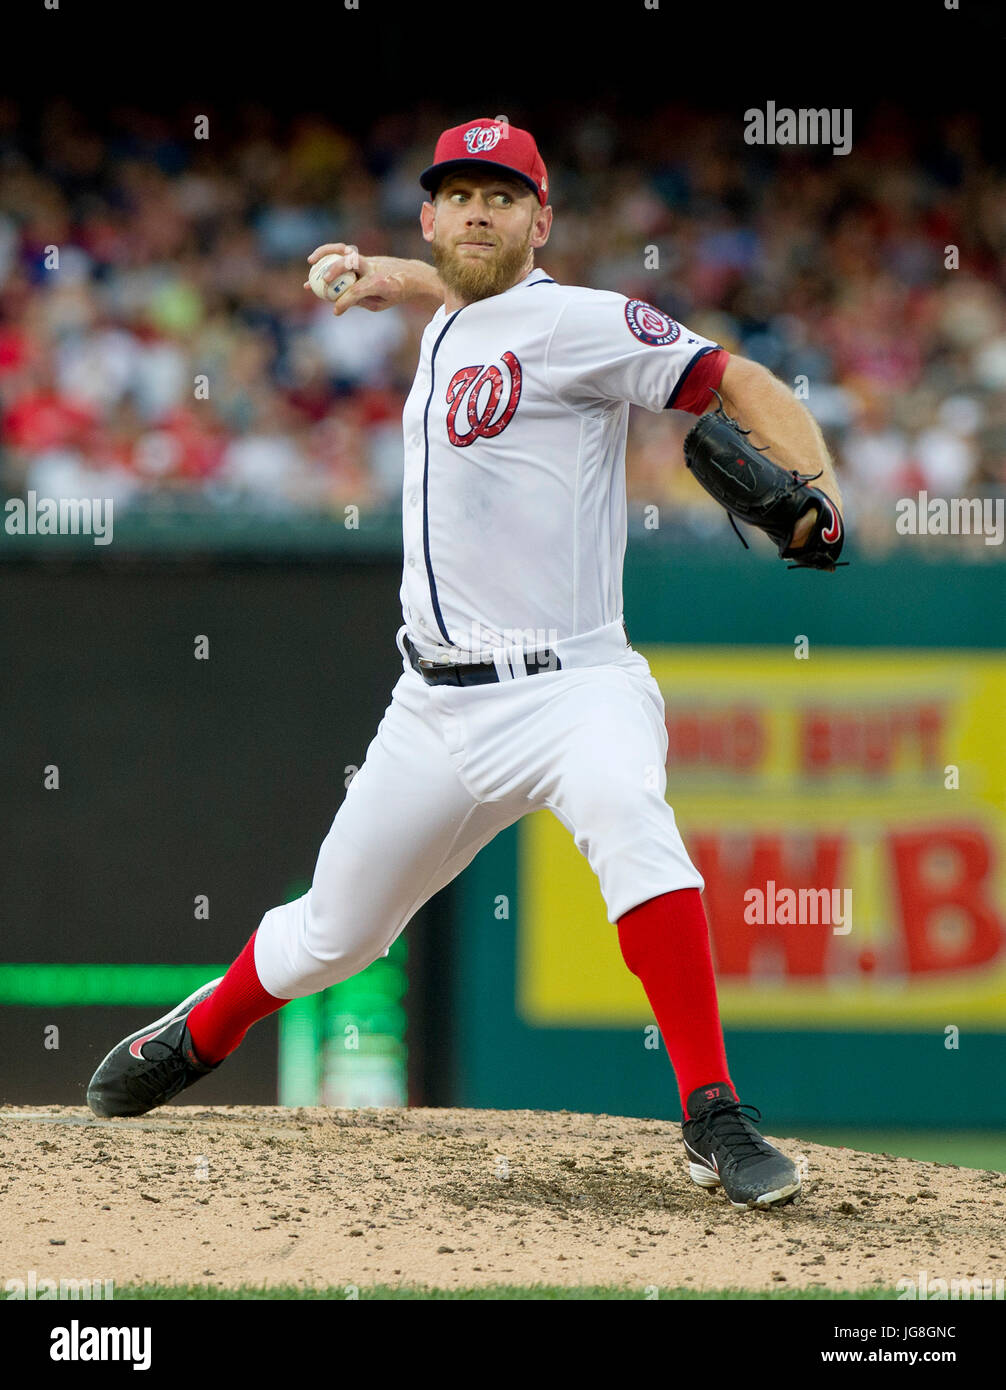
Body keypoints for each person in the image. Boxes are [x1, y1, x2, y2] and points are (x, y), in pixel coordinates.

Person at [88, 117, 844, 1211]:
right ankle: (198, 1029)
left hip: (572, 684)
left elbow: (735, 377)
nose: (480, 210)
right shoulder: (449, 305)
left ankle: (713, 1112)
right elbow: (453, 285)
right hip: (431, 709)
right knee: (332, 938)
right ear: (434, 215)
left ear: (543, 220)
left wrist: (815, 486)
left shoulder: (585, 323)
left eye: (504, 194)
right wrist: (381, 273)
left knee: (633, 822)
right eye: (460, 194)